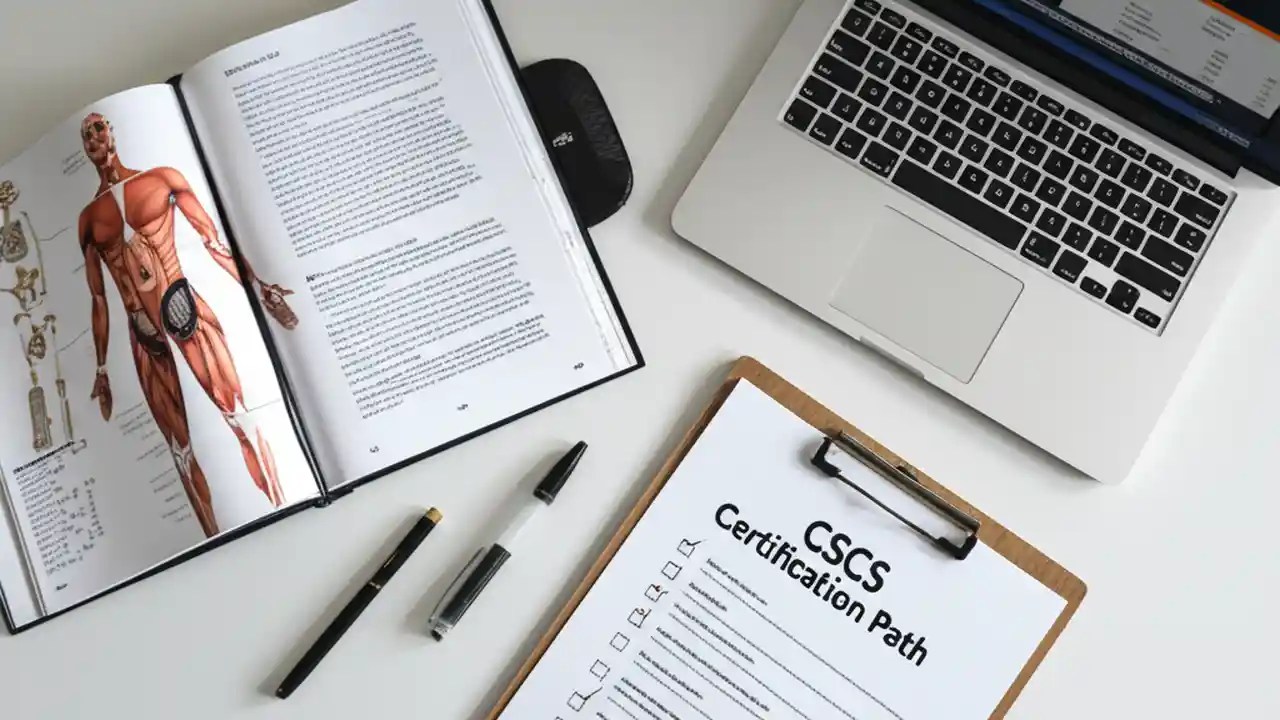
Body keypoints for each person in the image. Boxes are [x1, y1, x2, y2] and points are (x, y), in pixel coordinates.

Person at [76, 112, 297, 537]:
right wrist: (102, 370)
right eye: (86, 133)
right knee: (180, 451)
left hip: (183, 306)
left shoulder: (161, 179)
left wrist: (260, 287)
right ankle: (215, 540)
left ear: (113, 132)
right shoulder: (88, 219)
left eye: (99, 127)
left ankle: (284, 508)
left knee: (241, 419)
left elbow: (214, 242)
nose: (93, 137)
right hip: (141, 331)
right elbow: (98, 299)